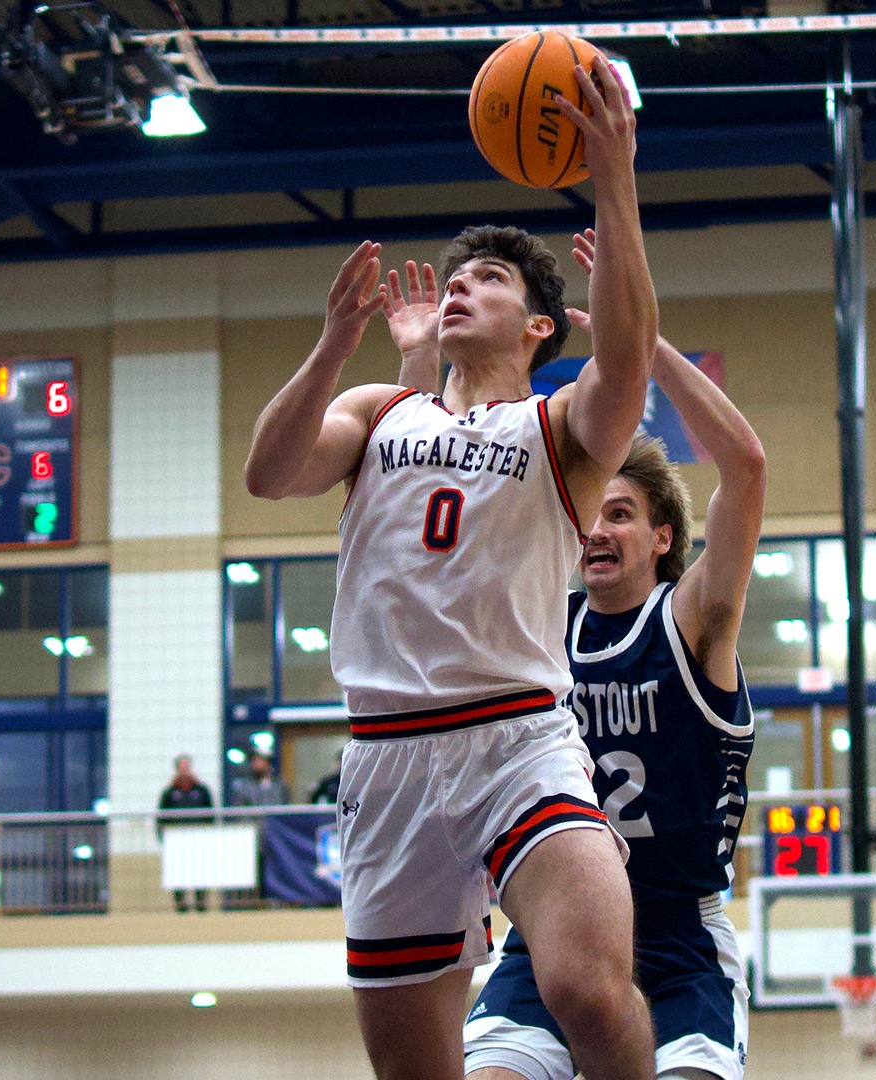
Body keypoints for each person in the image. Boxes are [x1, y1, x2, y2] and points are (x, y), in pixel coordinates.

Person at [245, 55, 658, 1080]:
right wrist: (336, 344)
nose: (464, 284)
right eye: (457, 275)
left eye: (493, 278)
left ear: (539, 326)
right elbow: (268, 472)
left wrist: (614, 179)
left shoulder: (556, 428)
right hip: (385, 758)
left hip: (516, 737)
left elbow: (630, 365)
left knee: (588, 989)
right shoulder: (383, 410)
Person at [462, 228, 766, 1080]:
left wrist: (641, 347)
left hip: (675, 939)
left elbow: (744, 467)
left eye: (623, 513)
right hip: (552, 926)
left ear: (663, 535)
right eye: (594, 511)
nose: (598, 527)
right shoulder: (535, 623)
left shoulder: (694, 619)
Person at [157, 755, 214, 913]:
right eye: (181, 768)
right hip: (177, 843)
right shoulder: (169, 793)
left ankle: (201, 905)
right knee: (178, 875)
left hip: (198, 841)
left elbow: (210, 816)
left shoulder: (202, 791)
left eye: (186, 767)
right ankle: (181, 907)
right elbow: (161, 818)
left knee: (199, 874)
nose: (184, 771)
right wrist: (164, 839)